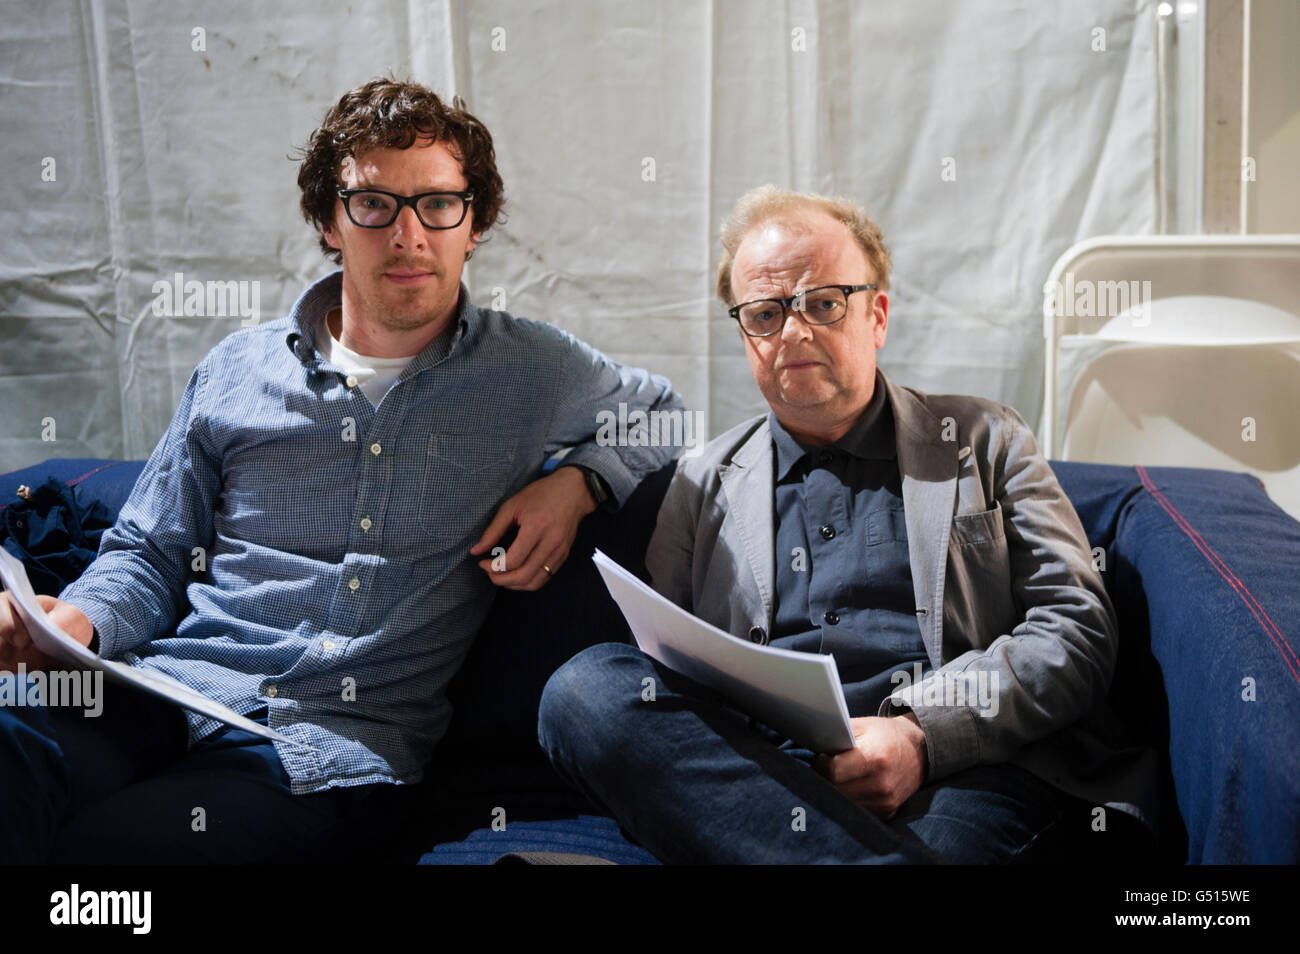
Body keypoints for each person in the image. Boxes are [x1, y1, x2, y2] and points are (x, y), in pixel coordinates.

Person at [0, 78, 684, 863]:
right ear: (330, 220)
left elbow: (665, 414)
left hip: (329, 754)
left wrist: (580, 482)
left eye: (438, 204)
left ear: (475, 222)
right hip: (160, 692)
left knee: (113, 863)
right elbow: (150, 551)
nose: (408, 235)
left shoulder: (533, 369)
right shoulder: (236, 371)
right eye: (373, 205)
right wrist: (74, 624)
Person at [538, 185, 1159, 864]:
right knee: (583, 691)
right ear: (744, 332)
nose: (795, 332)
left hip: (959, 770)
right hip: (768, 780)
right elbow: (669, 674)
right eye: (766, 313)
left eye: (824, 303)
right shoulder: (700, 480)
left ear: (878, 315)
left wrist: (921, 733)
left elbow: (1077, 630)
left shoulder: (985, 439)